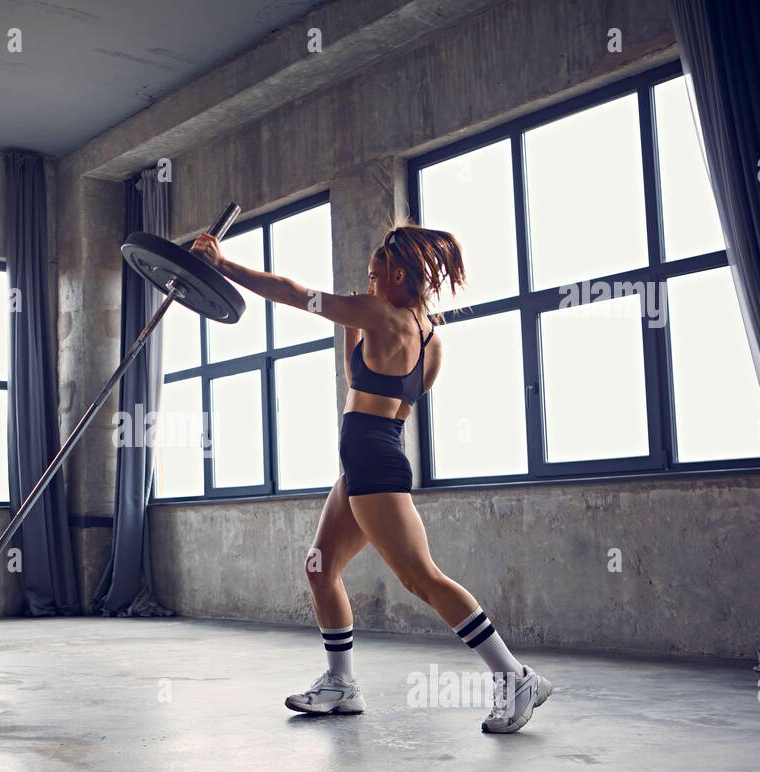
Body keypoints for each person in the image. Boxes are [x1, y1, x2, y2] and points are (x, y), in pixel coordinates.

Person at [190, 220, 552, 733]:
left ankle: (515, 677)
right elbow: (360, 384)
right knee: (320, 568)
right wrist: (351, 327)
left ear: (398, 274)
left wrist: (224, 266)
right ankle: (342, 684)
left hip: (374, 465)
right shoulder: (428, 340)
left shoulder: (382, 314)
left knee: (421, 578)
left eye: (374, 272)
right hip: (365, 462)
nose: (368, 282)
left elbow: (296, 295)